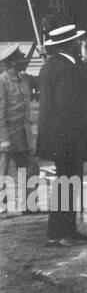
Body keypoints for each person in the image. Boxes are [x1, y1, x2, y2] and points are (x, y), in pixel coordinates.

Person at [35, 23, 87, 246]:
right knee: (67, 182)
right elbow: (67, 104)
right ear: (68, 44)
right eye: (75, 41)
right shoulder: (64, 67)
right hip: (67, 136)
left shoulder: (53, 65)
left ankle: (65, 230)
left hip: (61, 135)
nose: (79, 43)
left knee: (67, 182)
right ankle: (61, 233)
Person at [0, 46, 35, 214]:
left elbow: (44, 78)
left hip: (22, 135)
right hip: (7, 135)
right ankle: (1, 204)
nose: (25, 59)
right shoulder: (2, 81)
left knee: (31, 167)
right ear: (13, 62)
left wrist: (47, 58)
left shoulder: (24, 79)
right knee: (2, 172)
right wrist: (4, 140)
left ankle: (29, 205)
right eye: (22, 57)